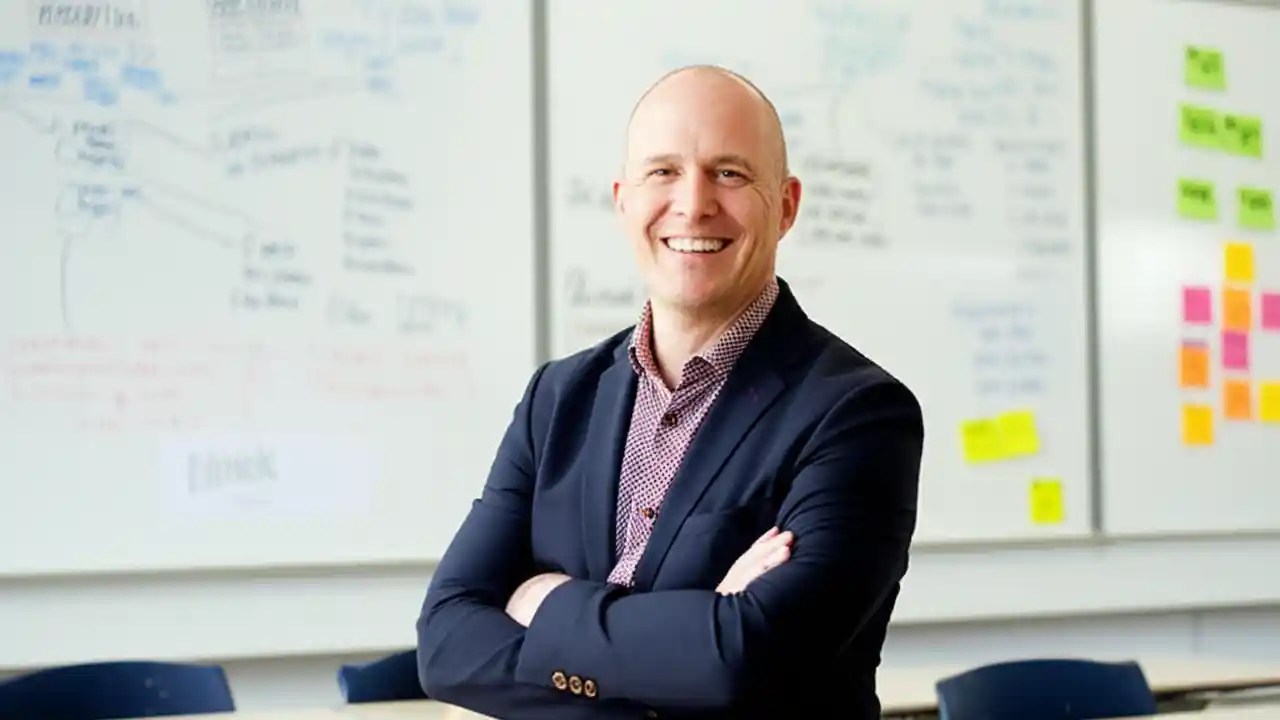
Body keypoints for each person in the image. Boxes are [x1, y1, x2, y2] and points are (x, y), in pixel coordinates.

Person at [416, 65, 923, 719]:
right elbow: (447, 642)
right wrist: (694, 636)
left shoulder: (858, 414)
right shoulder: (557, 399)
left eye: (730, 173)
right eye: (663, 172)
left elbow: (745, 657)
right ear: (623, 199)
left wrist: (543, 602)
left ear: (788, 205)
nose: (693, 204)